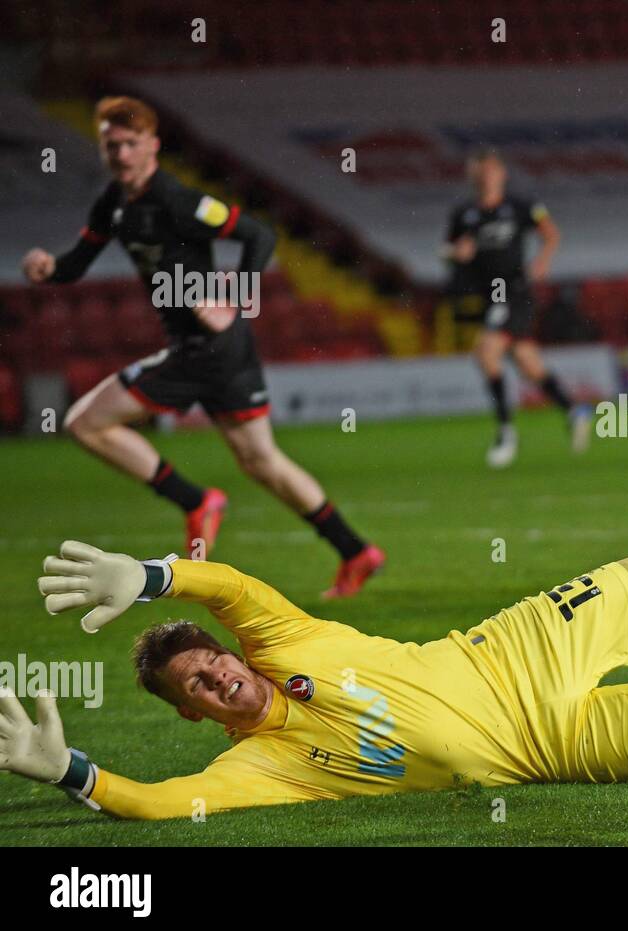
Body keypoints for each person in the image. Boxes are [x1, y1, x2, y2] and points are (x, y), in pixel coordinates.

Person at [1, 540, 628, 821]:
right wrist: (73, 773)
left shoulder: (278, 638)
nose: (218, 676)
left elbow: (231, 585)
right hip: (540, 748)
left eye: (210, 659)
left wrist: (152, 578)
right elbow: (163, 805)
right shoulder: (269, 765)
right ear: (191, 714)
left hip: (518, 648)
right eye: (198, 689)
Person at [20, 96, 383, 598]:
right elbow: (79, 262)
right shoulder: (114, 203)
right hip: (219, 350)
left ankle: (196, 500)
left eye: (130, 144)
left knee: (85, 421)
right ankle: (355, 551)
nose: (121, 154)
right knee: (261, 461)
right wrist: (50, 268)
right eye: (111, 145)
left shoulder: (178, 200)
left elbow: (259, 234)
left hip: (203, 348)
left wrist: (235, 296)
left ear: (153, 145)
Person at [443, 148, 591, 468]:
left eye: (490, 171)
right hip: (488, 295)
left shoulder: (521, 206)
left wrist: (541, 261)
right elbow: (451, 251)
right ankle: (573, 410)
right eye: (479, 172)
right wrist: (457, 253)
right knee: (526, 361)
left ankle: (505, 430)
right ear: (472, 177)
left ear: (501, 174)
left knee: (486, 352)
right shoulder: (463, 214)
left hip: (514, 291)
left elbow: (550, 233)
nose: (485, 177)